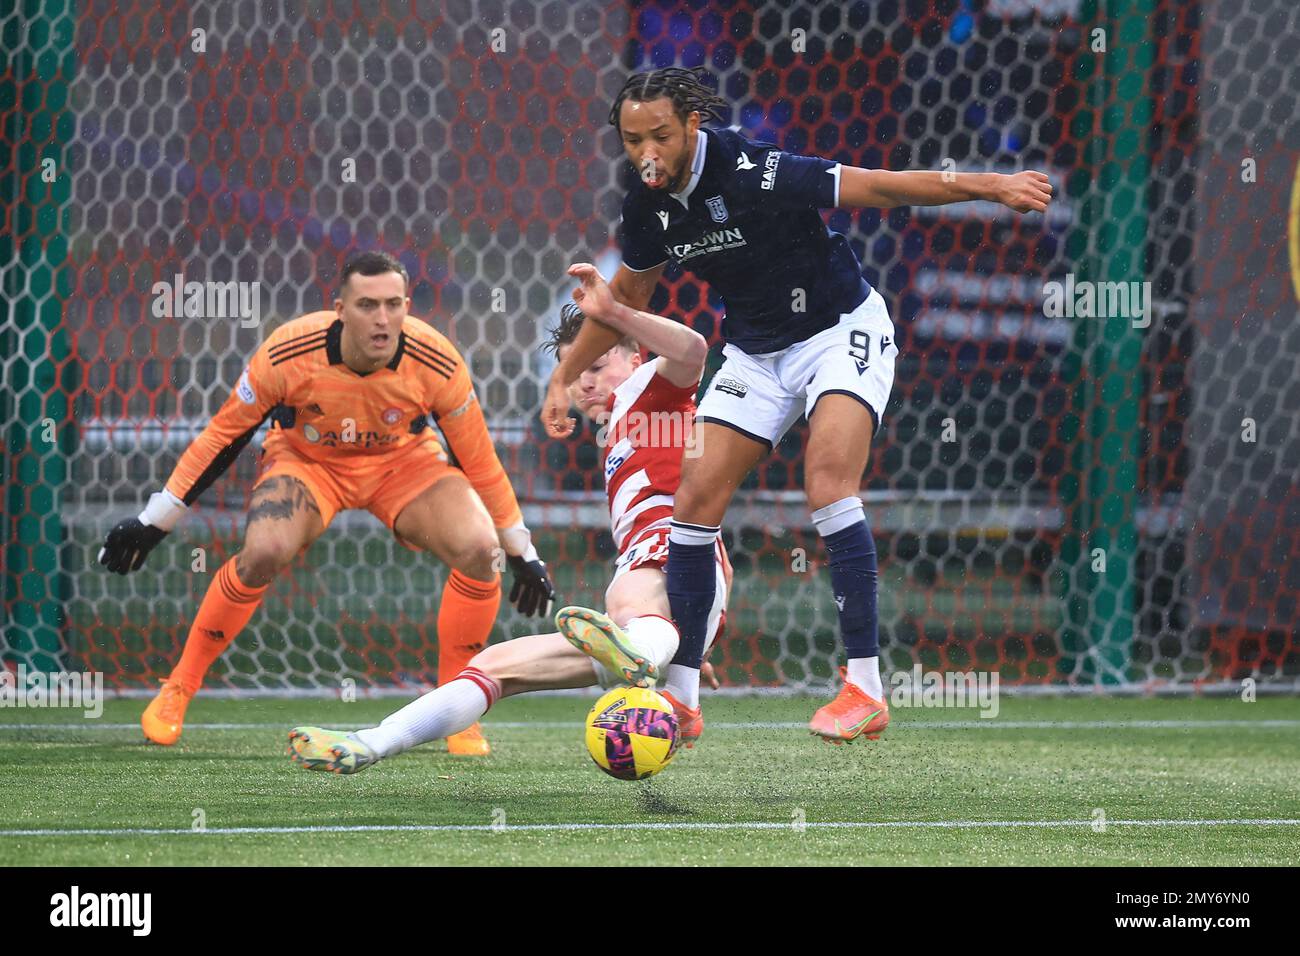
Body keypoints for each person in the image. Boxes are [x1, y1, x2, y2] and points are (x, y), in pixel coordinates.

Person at [541, 67, 1051, 742]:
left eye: (659, 135)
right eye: (633, 140)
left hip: (840, 331)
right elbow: (624, 300)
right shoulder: (648, 207)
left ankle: (864, 688)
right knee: (695, 501)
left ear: (692, 123)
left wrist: (990, 186)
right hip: (756, 353)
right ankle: (683, 700)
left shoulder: (753, 169)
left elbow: (878, 187)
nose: (647, 154)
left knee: (827, 481)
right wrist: (562, 377)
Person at [99, 251, 555, 755]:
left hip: (404, 465)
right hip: (307, 464)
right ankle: (179, 688)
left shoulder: (437, 360)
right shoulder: (288, 352)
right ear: (340, 308)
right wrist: (154, 521)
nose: (382, 319)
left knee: (478, 548)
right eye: (366, 305)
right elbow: (223, 437)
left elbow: (480, 460)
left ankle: (456, 711)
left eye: (393, 304)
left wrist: (521, 552)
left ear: (407, 306)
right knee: (264, 552)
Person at [287, 262, 729, 773]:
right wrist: (686, 647)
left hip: (675, 552)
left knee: (625, 598)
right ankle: (371, 742)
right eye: (572, 370)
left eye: (596, 365)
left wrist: (615, 312)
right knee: (493, 666)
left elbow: (694, 349)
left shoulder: (652, 391)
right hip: (664, 603)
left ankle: (647, 656)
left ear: (636, 356)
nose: (583, 383)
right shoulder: (619, 426)